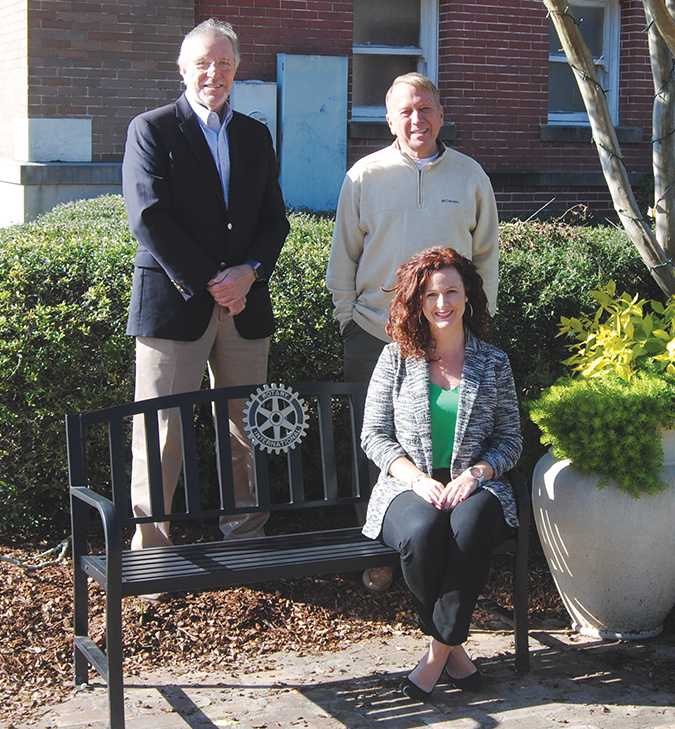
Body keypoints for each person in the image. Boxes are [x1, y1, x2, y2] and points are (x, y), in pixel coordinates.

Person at [121, 19, 289, 559]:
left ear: (237, 69)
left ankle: (246, 538)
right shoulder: (151, 128)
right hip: (176, 304)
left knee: (250, 427)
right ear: (183, 69)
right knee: (161, 430)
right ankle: (151, 548)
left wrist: (250, 272)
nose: (213, 73)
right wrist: (213, 282)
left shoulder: (255, 135)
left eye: (224, 63)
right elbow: (148, 217)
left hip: (245, 302)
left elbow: (274, 219)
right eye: (202, 63)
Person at [360, 247, 522, 701]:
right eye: (431, 295)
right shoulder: (396, 359)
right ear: (418, 301)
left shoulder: (493, 363)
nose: (442, 303)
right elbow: (373, 435)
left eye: (452, 291)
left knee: (467, 530)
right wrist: (415, 478)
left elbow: (511, 438)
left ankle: (434, 655)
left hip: (479, 485)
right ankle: (456, 652)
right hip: (407, 484)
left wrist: (476, 473)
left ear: (468, 294)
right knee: (423, 533)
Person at [326, 73, 500, 387]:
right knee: (373, 435)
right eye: (406, 112)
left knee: (447, 435)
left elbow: (486, 258)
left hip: (451, 336)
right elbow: (344, 256)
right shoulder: (364, 176)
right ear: (390, 122)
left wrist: (476, 324)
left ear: (441, 115)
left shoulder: (471, 176)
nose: (417, 119)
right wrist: (348, 323)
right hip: (374, 336)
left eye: (425, 109)